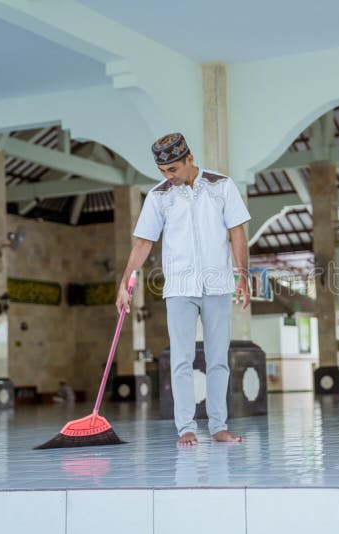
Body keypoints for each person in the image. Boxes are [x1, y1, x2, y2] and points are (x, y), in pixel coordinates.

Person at [115, 132, 251, 447]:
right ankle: (186, 428)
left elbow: (237, 233)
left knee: (218, 359)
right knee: (181, 360)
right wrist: (125, 281)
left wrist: (242, 276)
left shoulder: (222, 186)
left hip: (217, 284)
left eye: (173, 170)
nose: (168, 177)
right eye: (163, 172)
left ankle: (219, 427)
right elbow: (143, 241)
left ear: (189, 159)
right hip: (179, 288)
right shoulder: (158, 195)